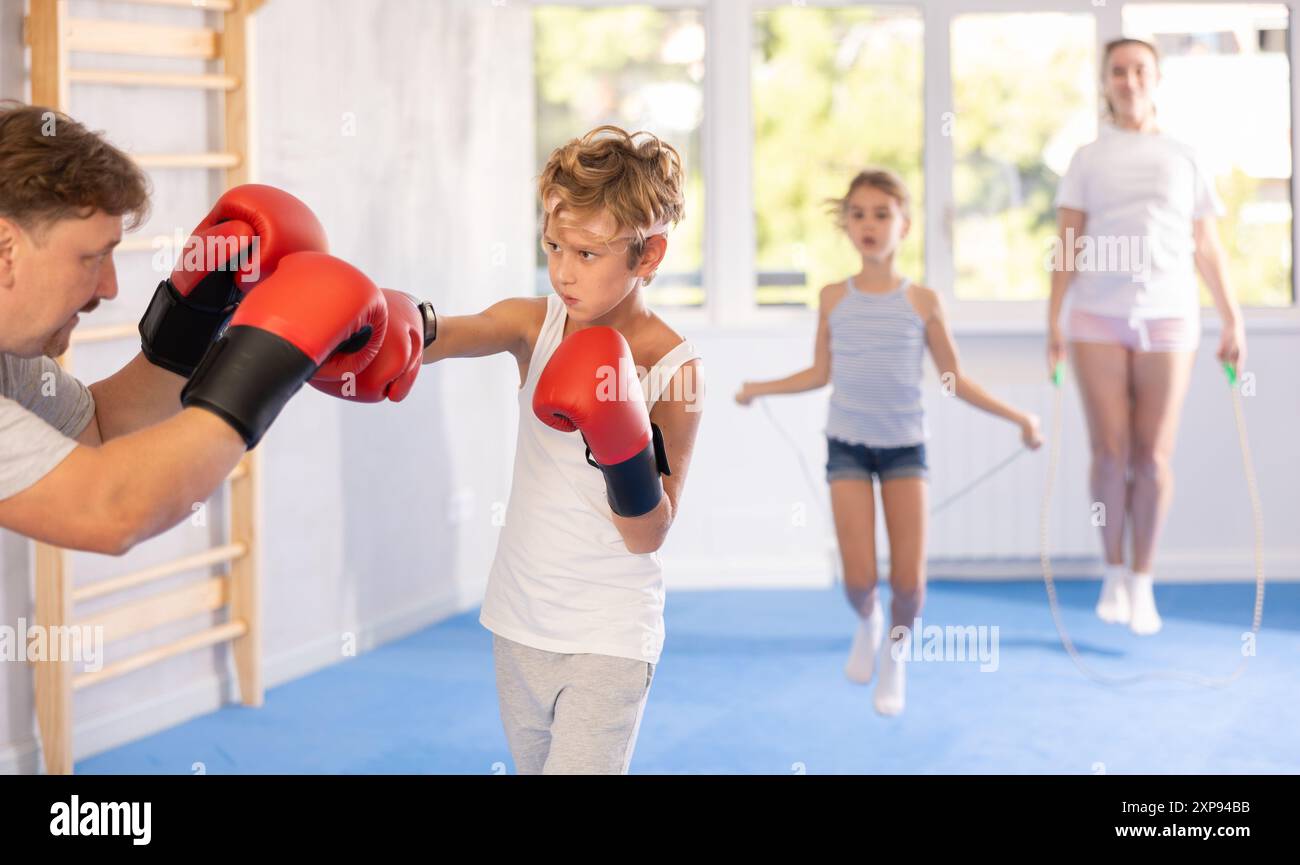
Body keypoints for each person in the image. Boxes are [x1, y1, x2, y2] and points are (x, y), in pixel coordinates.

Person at [416, 126, 703, 773]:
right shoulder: (533, 324)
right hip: (519, 619)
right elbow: (445, 335)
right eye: (553, 246)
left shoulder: (674, 366)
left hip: (609, 629)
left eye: (588, 252)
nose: (564, 270)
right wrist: (374, 323)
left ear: (647, 255)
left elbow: (649, 532)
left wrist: (619, 442)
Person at [736, 169, 1041, 715]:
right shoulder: (832, 297)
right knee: (859, 580)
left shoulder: (923, 301)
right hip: (847, 446)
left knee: (910, 584)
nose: (869, 224)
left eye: (882, 214)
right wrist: (761, 387)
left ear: (904, 226)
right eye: (858, 214)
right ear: (845, 225)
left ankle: (896, 655)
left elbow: (954, 380)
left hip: (905, 450)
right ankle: (868, 621)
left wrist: (1018, 416)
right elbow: (818, 372)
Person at [1047, 38, 1246, 635]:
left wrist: (1233, 318)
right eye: (1117, 71)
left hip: (1169, 316)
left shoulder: (1183, 157)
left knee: (1152, 458)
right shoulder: (1086, 159)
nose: (1129, 80)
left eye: (1139, 70)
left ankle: (1143, 581)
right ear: (1105, 82)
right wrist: (1053, 323)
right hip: (1095, 320)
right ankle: (1111, 570)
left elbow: (1207, 246)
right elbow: (1068, 245)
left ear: (1156, 79)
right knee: (1109, 454)